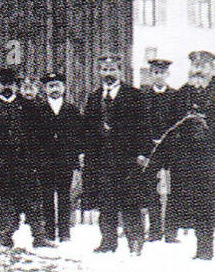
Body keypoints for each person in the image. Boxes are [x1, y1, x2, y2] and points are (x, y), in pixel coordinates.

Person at [81, 53, 149, 255]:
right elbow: (87, 130)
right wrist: (87, 154)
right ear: (99, 72)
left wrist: (143, 153)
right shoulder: (94, 97)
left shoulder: (134, 95)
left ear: (120, 71)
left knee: (130, 201)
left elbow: (144, 126)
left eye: (112, 70)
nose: (108, 74)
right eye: (104, 70)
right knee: (106, 202)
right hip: (103, 160)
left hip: (128, 159)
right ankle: (108, 241)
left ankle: (135, 241)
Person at [145, 75, 215, 260]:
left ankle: (204, 250)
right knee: (186, 203)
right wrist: (152, 167)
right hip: (184, 168)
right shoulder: (181, 108)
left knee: (205, 207)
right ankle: (174, 235)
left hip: (206, 168)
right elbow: (168, 138)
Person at [0, 68, 50, 249]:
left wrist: (35, 159)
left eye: (11, 84)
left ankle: (39, 236)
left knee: (33, 200)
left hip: (26, 164)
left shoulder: (29, 106)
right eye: (3, 84)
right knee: (4, 202)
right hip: (1, 165)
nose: (7, 87)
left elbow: (39, 136)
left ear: (16, 86)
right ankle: (5, 237)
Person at [32, 71, 84, 244]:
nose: (54, 89)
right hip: (44, 161)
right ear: (45, 89)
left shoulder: (72, 110)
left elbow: (78, 136)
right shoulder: (38, 109)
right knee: (46, 196)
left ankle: (64, 232)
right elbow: (32, 137)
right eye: (50, 86)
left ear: (64, 87)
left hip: (65, 161)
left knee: (64, 197)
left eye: (57, 85)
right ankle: (48, 232)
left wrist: (76, 159)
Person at [140, 58, 179, 243]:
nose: (159, 76)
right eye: (155, 72)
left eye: (162, 73)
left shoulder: (175, 96)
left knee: (173, 190)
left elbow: (179, 125)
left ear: (167, 75)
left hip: (170, 150)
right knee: (150, 190)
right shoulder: (142, 96)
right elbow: (137, 124)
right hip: (150, 150)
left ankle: (171, 232)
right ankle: (155, 230)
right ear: (151, 74)